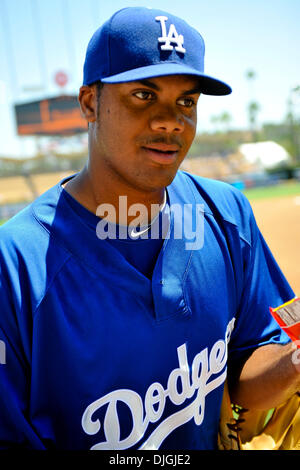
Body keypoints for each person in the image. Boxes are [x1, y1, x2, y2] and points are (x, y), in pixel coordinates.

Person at [0, 6, 299, 451]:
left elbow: (244, 372)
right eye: (143, 94)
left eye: (187, 101)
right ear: (89, 103)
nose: (169, 120)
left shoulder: (227, 214)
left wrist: (294, 360)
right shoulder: (17, 264)